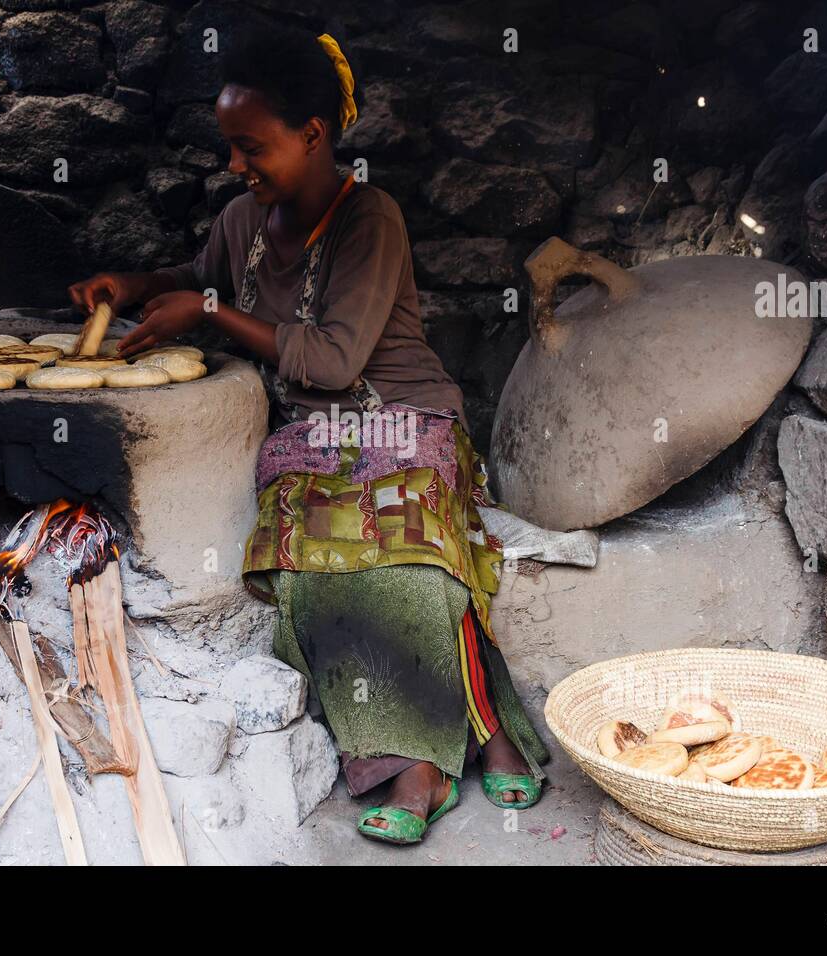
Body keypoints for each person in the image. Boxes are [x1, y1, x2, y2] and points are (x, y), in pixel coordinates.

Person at [69, 26, 549, 845]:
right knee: (304, 568)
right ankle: (426, 752)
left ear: (314, 135)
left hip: (406, 417)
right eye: (229, 147)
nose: (234, 165)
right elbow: (199, 276)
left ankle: (454, 749)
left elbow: (329, 358)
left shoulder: (371, 219)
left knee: (412, 549)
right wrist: (139, 284)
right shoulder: (242, 220)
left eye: (250, 146)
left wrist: (213, 315)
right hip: (313, 442)